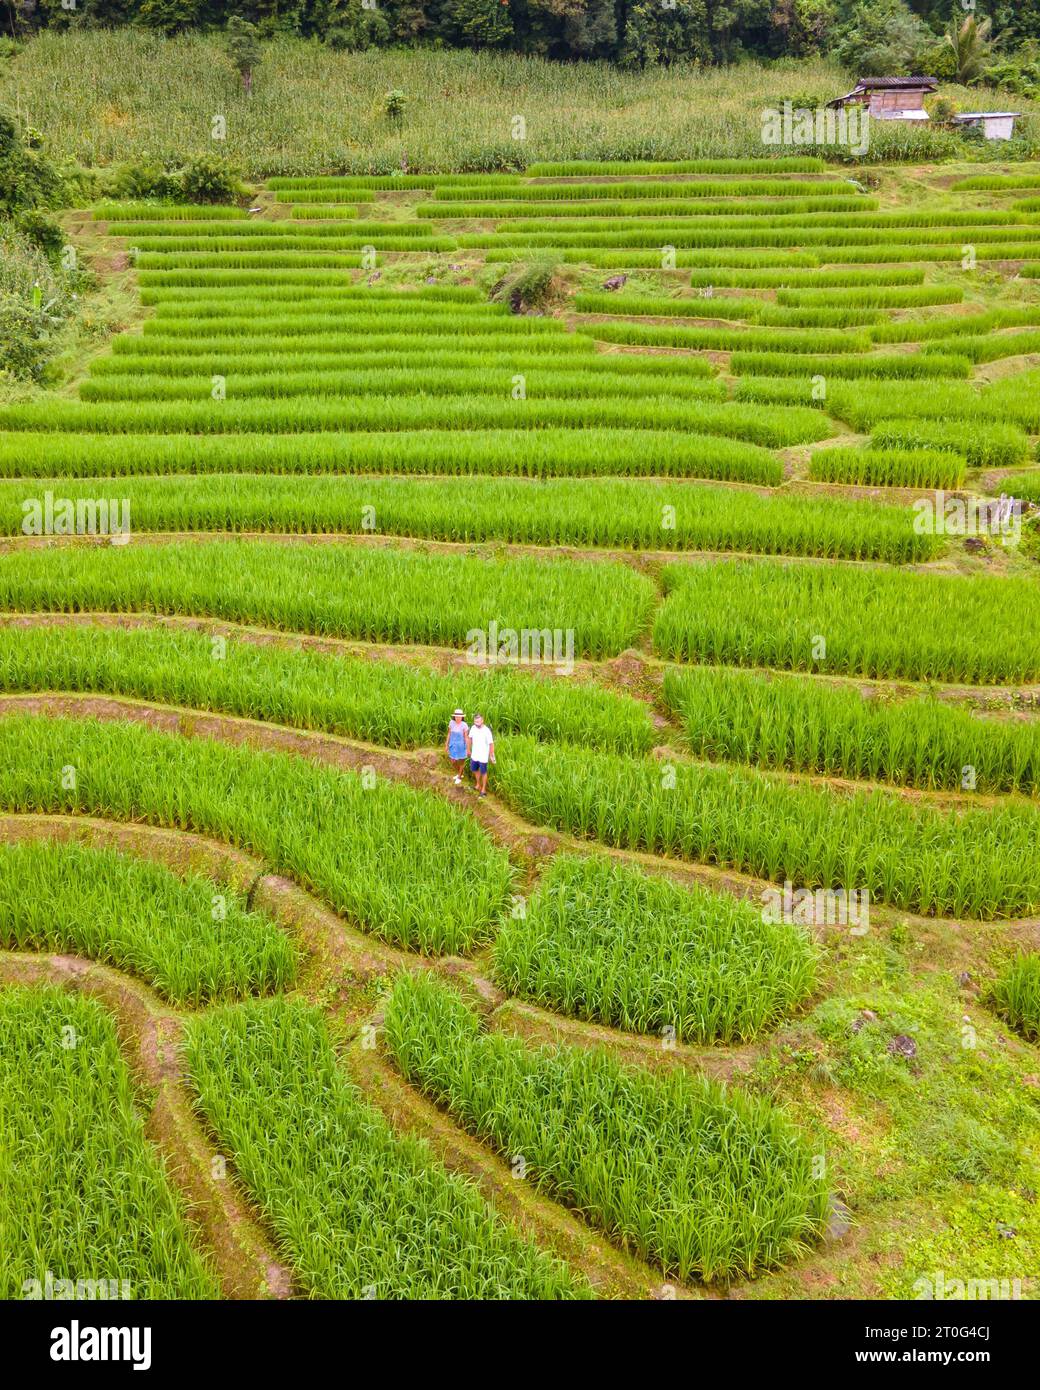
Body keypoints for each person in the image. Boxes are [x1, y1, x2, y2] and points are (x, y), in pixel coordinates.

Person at [467, 713, 495, 797]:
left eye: (478, 721)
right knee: (474, 769)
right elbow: (469, 738)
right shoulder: (473, 728)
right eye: (475, 721)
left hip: (483, 756)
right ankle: (478, 785)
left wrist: (491, 756)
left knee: (483, 772)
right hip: (474, 755)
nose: (476, 723)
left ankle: (483, 790)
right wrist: (468, 749)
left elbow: (491, 744)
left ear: (482, 721)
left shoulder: (487, 731)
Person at [445, 708, 469, 786]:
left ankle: (459, 776)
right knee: (453, 761)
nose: (457, 718)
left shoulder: (464, 725)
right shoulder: (451, 723)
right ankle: (460, 773)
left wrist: (467, 747)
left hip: (461, 745)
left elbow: (466, 737)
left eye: (459, 717)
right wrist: (446, 744)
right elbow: (449, 734)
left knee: (461, 761)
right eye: (456, 716)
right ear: (454, 716)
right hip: (453, 745)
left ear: (462, 717)